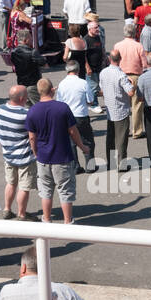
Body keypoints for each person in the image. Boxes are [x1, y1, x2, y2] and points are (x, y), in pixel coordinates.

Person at [27, 78, 87, 224]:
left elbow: (32, 137)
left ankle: (47, 220)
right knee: (65, 190)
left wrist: (35, 152)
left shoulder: (33, 111)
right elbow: (73, 131)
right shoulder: (62, 108)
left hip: (43, 157)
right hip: (62, 156)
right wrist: (82, 147)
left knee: (46, 191)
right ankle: (68, 222)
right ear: (52, 90)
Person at [0, 85, 36, 221]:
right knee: (24, 186)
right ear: (22, 98)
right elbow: (33, 134)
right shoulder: (26, 114)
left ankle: (7, 209)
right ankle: (21, 214)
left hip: (8, 154)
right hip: (24, 157)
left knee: (11, 183)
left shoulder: (0, 110)